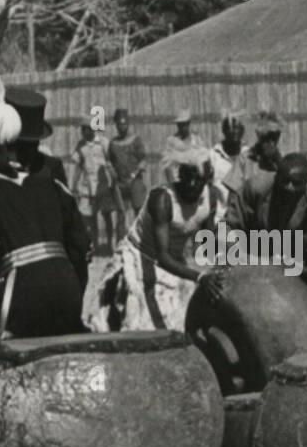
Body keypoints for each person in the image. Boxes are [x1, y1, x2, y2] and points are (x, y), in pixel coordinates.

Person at [0, 100, 90, 342]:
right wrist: (72, 295)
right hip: (68, 297)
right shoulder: (55, 187)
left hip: (20, 300)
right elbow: (80, 246)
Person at [93, 149, 225, 332]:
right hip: (141, 256)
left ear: (207, 179)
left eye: (198, 179)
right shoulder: (162, 199)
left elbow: (207, 247)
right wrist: (200, 277)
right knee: (140, 323)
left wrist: (221, 262)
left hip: (174, 259)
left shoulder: (210, 197)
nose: (192, 184)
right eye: (188, 177)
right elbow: (161, 257)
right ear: (180, 174)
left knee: (181, 322)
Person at [225, 151, 307, 278]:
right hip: (251, 264)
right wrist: (247, 260)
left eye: (296, 183)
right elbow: (227, 228)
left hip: (293, 272)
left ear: (306, 182)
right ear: (276, 177)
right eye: (285, 181)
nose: (289, 187)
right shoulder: (255, 188)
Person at [70, 118, 117, 256]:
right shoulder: (81, 146)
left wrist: (114, 180)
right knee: (91, 218)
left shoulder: (103, 143)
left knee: (107, 215)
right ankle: (94, 246)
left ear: (93, 129)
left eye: (87, 129)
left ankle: (109, 245)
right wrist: (73, 186)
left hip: (104, 185)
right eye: (82, 129)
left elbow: (111, 161)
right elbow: (78, 167)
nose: (85, 132)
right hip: (88, 187)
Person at [106, 108, 148, 217]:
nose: (122, 127)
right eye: (119, 124)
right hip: (120, 183)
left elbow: (143, 161)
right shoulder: (113, 144)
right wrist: (111, 171)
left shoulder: (135, 140)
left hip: (135, 181)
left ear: (128, 124)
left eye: (124, 124)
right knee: (121, 215)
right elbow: (109, 161)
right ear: (116, 125)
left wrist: (134, 175)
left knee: (139, 213)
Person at [209, 112, 251, 203]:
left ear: (242, 131)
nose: (234, 131)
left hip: (242, 214)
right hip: (220, 214)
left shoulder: (249, 155)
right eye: (231, 128)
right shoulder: (213, 155)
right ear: (224, 131)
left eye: (237, 128)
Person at [162, 109, 207, 182]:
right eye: (179, 124)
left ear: (188, 124)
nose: (181, 127)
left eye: (184, 124)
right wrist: (172, 184)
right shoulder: (171, 141)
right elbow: (167, 167)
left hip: (195, 181)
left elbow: (203, 161)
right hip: (177, 182)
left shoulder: (197, 140)